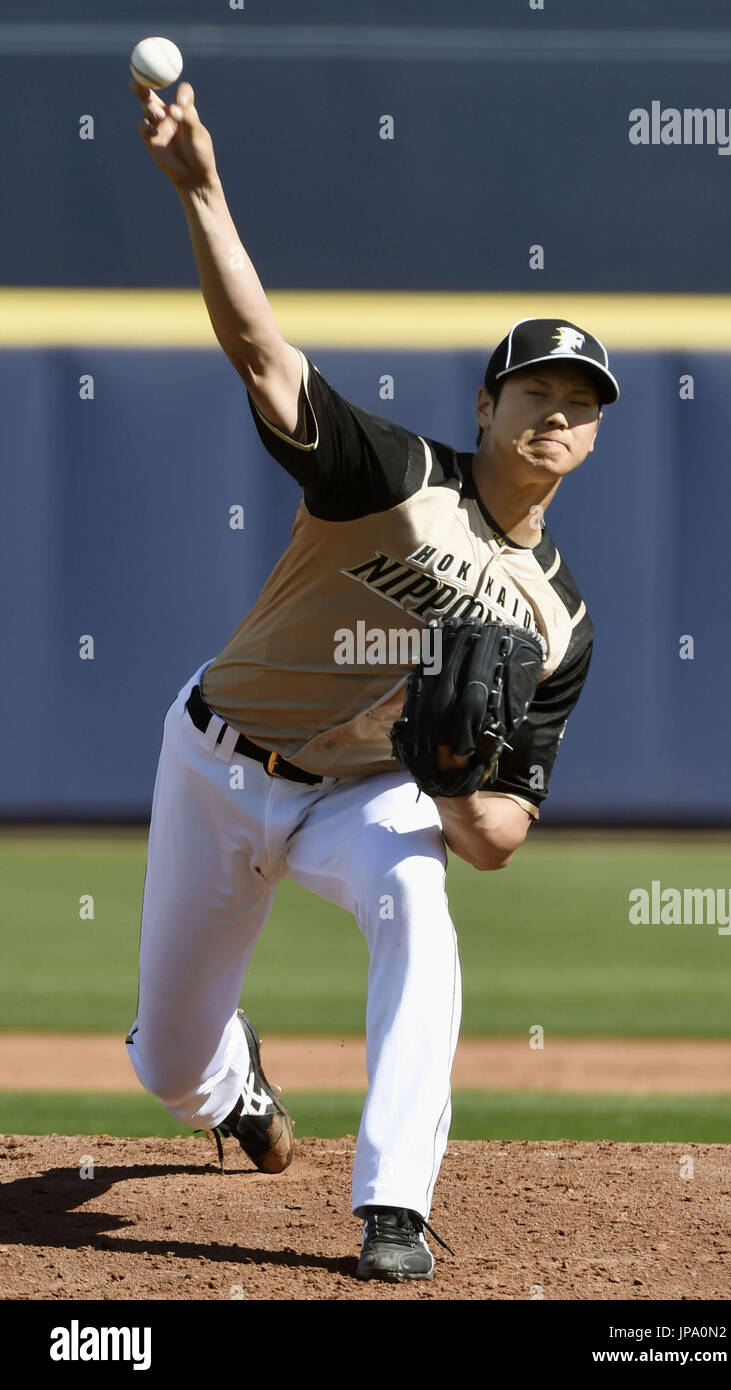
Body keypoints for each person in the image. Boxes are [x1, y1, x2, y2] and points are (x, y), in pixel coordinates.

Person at [126, 79, 619, 1284]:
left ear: (596, 437)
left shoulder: (561, 624)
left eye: (582, 403)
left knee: (425, 912)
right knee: (166, 1065)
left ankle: (394, 1204)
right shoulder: (393, 476)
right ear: (487, 405)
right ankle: (231, 1081)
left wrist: (450, 788)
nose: (557, 414)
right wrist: (201, 187)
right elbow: (261, 351)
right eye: (537, 391)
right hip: (220, 755)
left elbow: (501, 833)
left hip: (368, 793)